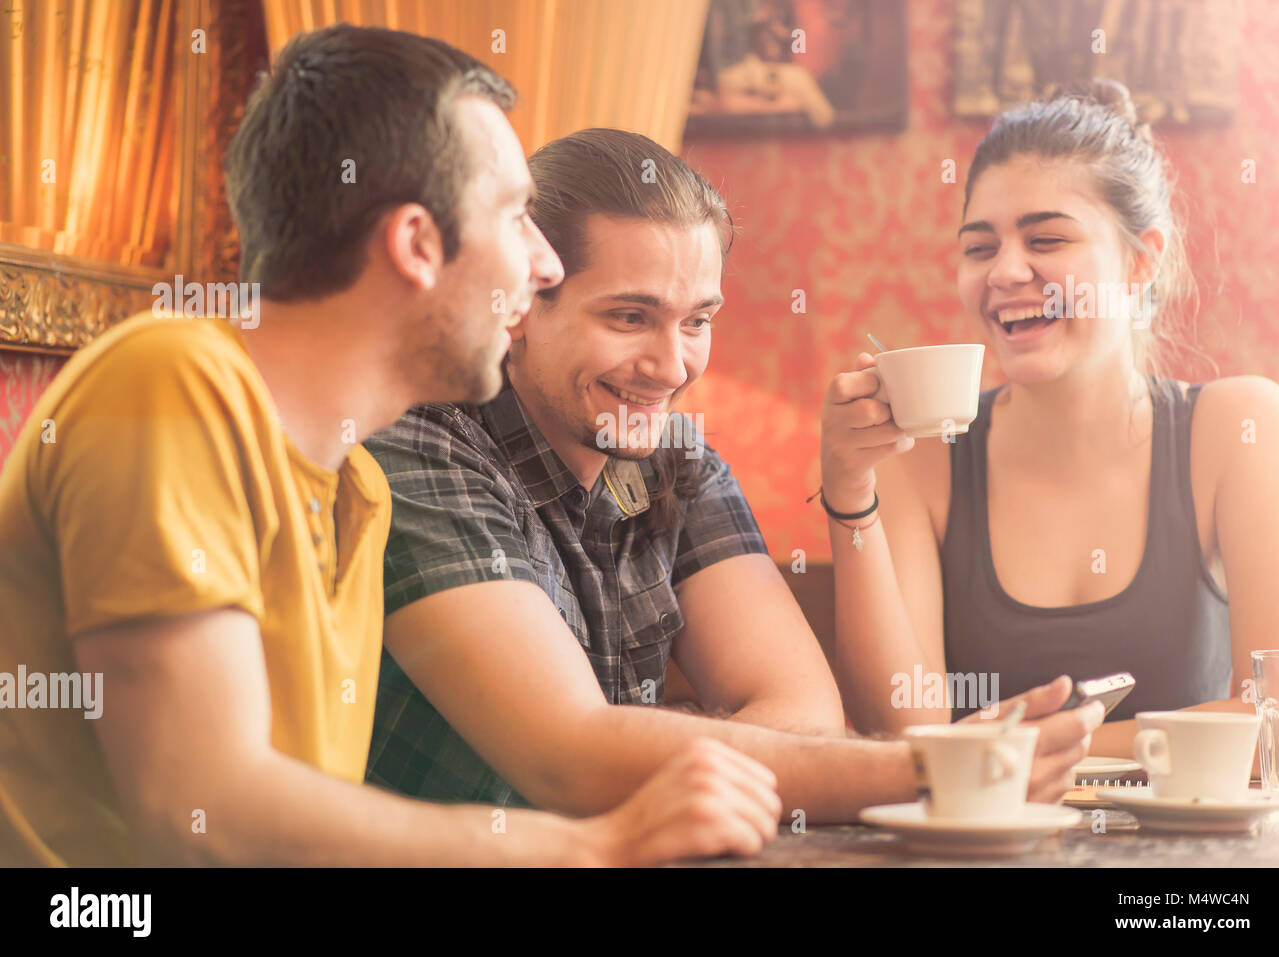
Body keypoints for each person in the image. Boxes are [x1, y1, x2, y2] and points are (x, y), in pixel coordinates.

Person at [0, 24, 785, 867]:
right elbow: (201, 812)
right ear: (416, 243)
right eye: (516, 215)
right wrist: (592, 846)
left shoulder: (358, 492)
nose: (545, 262)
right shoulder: (172, 378)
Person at [361, 127, 1101, 820]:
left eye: (696, 321)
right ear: (522, 303)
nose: (671, 365)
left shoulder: (678, 461)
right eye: (629, 317)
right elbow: (570, 757)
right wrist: (939, 769)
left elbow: (803, 710)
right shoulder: (422, 445)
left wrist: (655, 752)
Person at [824, 80, 1279, 758]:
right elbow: (903, 738)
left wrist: (1019, 751)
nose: (1006, 271)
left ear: (1141, 261)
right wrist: (849, 491)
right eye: (980, 247)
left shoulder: (1242, 428)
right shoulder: (919, 454)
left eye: (1045, 238)